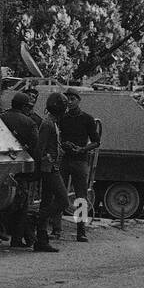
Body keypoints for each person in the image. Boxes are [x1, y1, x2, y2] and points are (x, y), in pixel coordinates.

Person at [57, 88, 101, 243]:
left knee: (81, 197)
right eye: (67, 98)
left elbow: (96, 141)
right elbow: (57, 137)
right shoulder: (61, 118)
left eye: (72, 98)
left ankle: (81, 231)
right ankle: (56, 229)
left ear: (78, 100)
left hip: (80, 160)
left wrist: (82, 149)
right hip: (64, 160)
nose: (69, 101)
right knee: (59, 193)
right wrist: (63, 145)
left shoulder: (87, 119)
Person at [32, 93, 71, 253]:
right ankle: (36, 218)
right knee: (63, 201)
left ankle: (41, 239)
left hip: (50, 167)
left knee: (46, 202)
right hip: (50, 169)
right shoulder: (48, 124)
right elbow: (40, 149)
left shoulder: (51, 122)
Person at [1, 92, 40, 249]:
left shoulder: (0, 117)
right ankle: (18, 238)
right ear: (24, 106)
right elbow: (36, 148)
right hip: (20, 169)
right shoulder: (29, 123)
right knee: (21, 207)